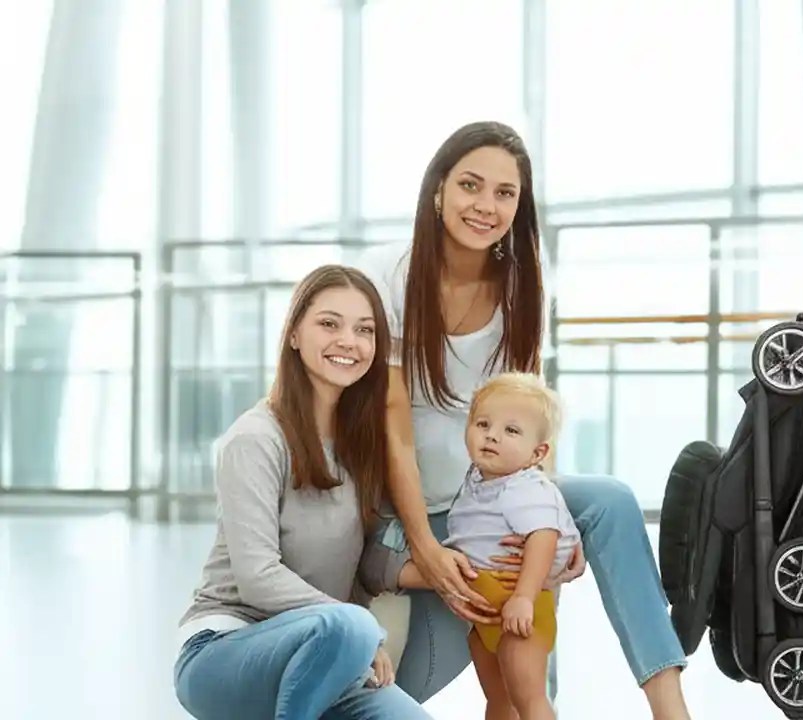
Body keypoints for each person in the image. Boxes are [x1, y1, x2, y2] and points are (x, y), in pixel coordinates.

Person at [354, 120, 691, 719]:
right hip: (414, 512)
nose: (486, 206)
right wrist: (428, 546)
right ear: (438, 190)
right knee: (390, 693)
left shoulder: (523, 284)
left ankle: (669, 710)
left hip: (496, 494)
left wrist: (554, 516)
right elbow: (394, 434)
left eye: (504, 193)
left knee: (602, 502)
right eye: (470, 186)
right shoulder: (387, 276)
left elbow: (530, 414)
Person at [173, 265, 428, 719]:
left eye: (364, 330)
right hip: (225, 651)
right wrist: (360, 631)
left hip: (328, 658)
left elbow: (361, 557)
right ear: (293, 334)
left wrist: (430, 570)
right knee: (350, 623)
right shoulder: (255, 439)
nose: (349, 340)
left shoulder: (360, 444)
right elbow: (256, 576)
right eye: (329, 324)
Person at [436, 372, 581, 720]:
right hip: (487, 618)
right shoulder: (477, 480)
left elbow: (544, 539)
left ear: (537, 453)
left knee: (528, 699)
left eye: (511, 431)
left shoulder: (525, 487)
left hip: (519, 615)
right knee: (499, 701)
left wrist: (523, 598)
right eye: (483, 424)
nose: (492, 435)